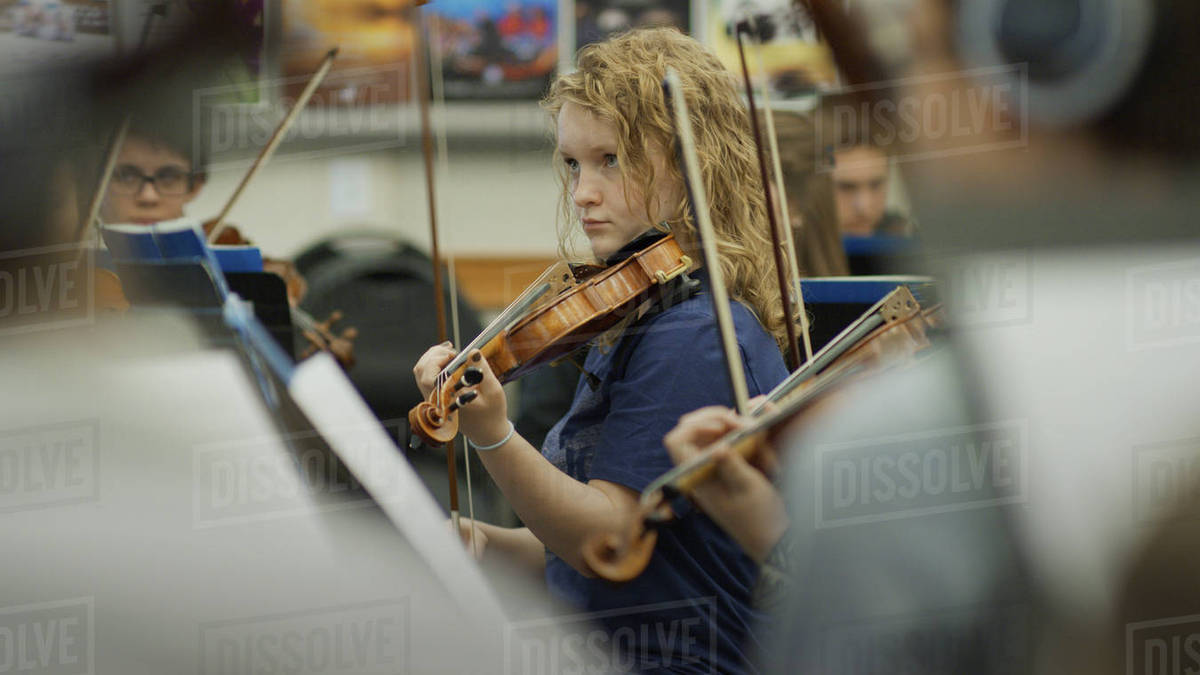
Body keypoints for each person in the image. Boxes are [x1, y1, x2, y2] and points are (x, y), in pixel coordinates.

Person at [412, 27, 790, 673]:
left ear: (692, 164)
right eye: (573, 163)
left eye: (611, 159)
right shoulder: (637, 318)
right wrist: (482, 541)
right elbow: (572, 556)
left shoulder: (694, 334)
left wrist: (493, 434)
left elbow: (612, 538)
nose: (583, 191)